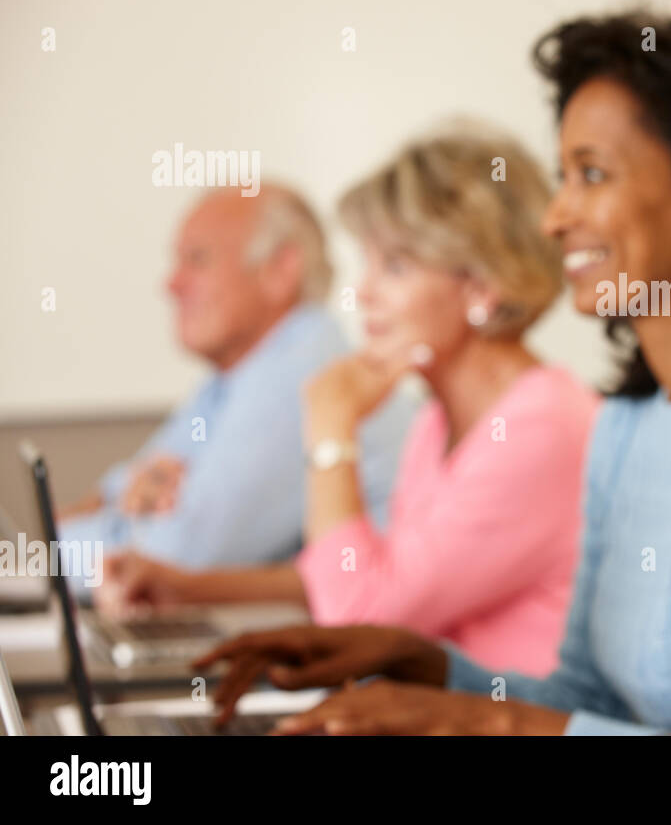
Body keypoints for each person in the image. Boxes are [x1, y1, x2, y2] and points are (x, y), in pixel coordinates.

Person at [193, 13, 671, 734]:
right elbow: (589, 700)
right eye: (564, 176)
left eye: (591, 175)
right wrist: (422, 663)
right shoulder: (629, 424)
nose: (555, 217)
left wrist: (487, 724)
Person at [100, 127, 600, 677]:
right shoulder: (440, 418)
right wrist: (188, 589)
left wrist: (331, 424)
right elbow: (366, 572)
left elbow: (358, 615)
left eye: (395, 267)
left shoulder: (540, 427)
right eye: (368, 263)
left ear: (482, 288)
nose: (363, 292)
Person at [60, 185, 413, 575]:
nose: (171, 284)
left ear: (280, 270)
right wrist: (124, 505)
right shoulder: (233, 376)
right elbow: (121, 489)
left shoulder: (302, 371)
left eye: (197, 260)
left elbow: (175, 555)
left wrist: (42, 553)